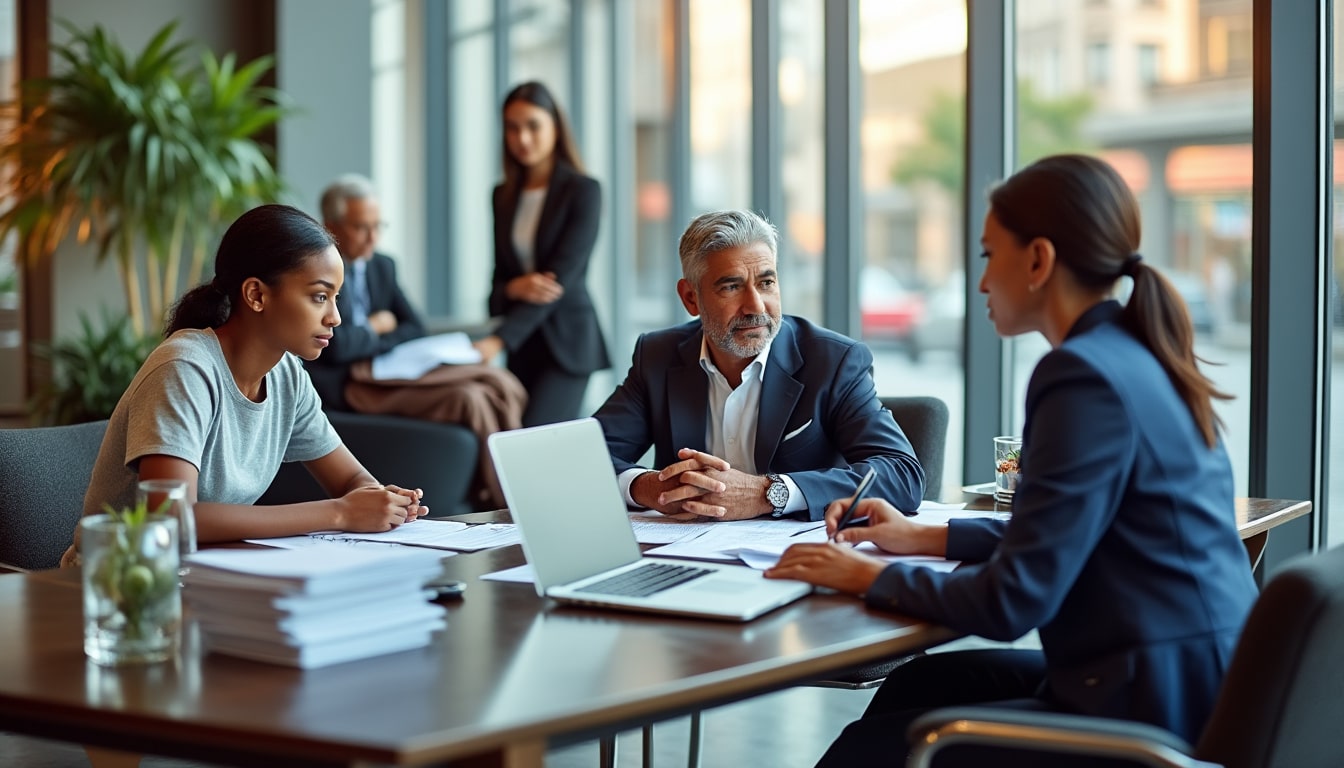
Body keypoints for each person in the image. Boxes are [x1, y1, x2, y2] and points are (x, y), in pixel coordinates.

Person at [766, 154, 1258, 767]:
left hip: (1153, 709)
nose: (980, 283)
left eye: (987, 255)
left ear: (1038, 260)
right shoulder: (1134, 352)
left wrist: (865, 575)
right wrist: (924, 536)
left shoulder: (1080, 376)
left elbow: (1013, 602)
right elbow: (1059, 533)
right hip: (1189, 675)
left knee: (867, 753)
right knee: (915, 686)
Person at [61, 204, 427, 567]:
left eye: (335, 298)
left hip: (211, 578)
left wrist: (380, 501)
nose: (336, 317)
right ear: (256, 295)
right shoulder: (185, 368)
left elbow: (350, 479)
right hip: (120, 588)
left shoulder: (287, 375)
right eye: (319, 296)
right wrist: (339, 514)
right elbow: (172, 519)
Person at [593, 209, 925, 522]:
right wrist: (647, 487)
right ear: (690, 298)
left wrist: (769, 492)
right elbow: (584, 458)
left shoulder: (834, 361)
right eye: (732, 286)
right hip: (683, 557)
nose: (755, 305)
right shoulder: (658, 355)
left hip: (797, 560)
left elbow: (901, 475)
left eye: (766, 283)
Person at [307, 174, 527, 509]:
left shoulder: (382, 266)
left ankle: (516, 486)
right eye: (361, 227)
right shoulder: (318, 268)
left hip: (391, 368)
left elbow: (414, 327)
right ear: (330, 226)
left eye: (378, 226)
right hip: (352, 382)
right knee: (470, 397)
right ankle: (507, 502)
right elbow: (337, 347)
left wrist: (370, 336)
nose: (372, 238)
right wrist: (376, 327)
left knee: (497, 381)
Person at [472, 81, 611, 427]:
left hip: (567, 344)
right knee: (513, 442)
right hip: (525, 347)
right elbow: (498, 284)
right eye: (512, 128)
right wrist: (512, 289)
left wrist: (497, 340)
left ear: (555, 127)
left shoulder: (583, 191)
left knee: (534, 439)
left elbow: (557, 282)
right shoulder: (502, 195)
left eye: (533, 126)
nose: (523, 138)